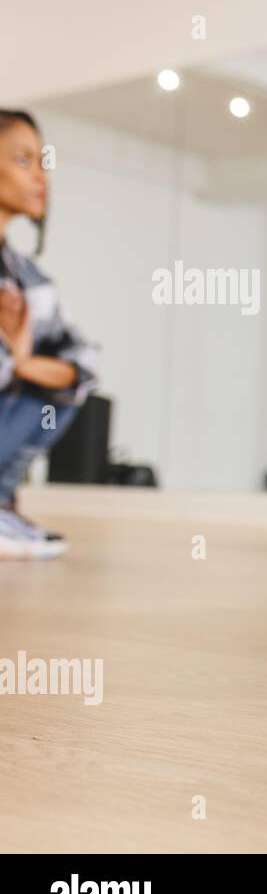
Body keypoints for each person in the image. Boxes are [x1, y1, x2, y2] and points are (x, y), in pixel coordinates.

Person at [0, 109, 99, 560]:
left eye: (43, 163)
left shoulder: (32, 282)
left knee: (62, 386)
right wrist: (9, 354)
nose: (41, 178)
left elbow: (85, 363)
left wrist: (22, 360)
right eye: (24, 161)